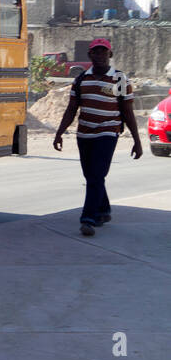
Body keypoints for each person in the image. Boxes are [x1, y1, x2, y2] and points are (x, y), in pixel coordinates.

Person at [53, 37, 143, 235]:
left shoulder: (119, 78)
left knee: (96, 175)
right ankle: (103, 209)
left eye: (104, 52)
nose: (100, 55)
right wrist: (59, 133)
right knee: (92, 176)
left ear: (110, 55)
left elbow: (127, 110)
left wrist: (137, 141)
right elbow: (71, 109)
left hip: (108, 133)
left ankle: (88, 218)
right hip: (84, 134)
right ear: (90, 55)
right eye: (96, 51)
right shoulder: (81, 79)